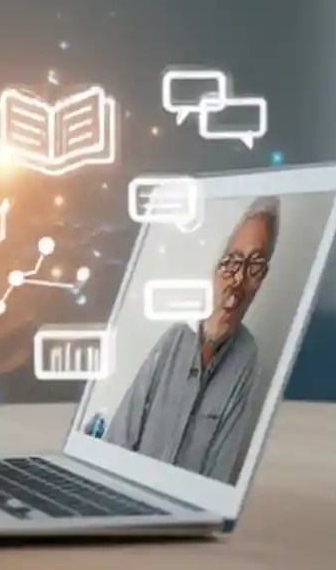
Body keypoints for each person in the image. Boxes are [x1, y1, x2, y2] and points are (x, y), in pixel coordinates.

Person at [103, 196, 278, 483]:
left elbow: (217, 474)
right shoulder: (175, 338)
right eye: (232, 262)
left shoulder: (247, 356)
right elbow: (119, 439)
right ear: (216, 269)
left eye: (255, 266)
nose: (237, 281)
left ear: (263, 279)